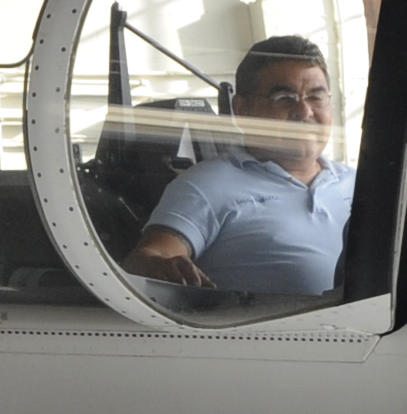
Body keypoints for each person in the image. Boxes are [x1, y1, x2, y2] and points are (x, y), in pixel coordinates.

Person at [129, 36, 352, 297]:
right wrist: (161, 267)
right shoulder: (208, 184)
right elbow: (145, 261)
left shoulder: (365, 184)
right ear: (242, 109)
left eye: (316, 97)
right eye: (283, 97)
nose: (303, 111)